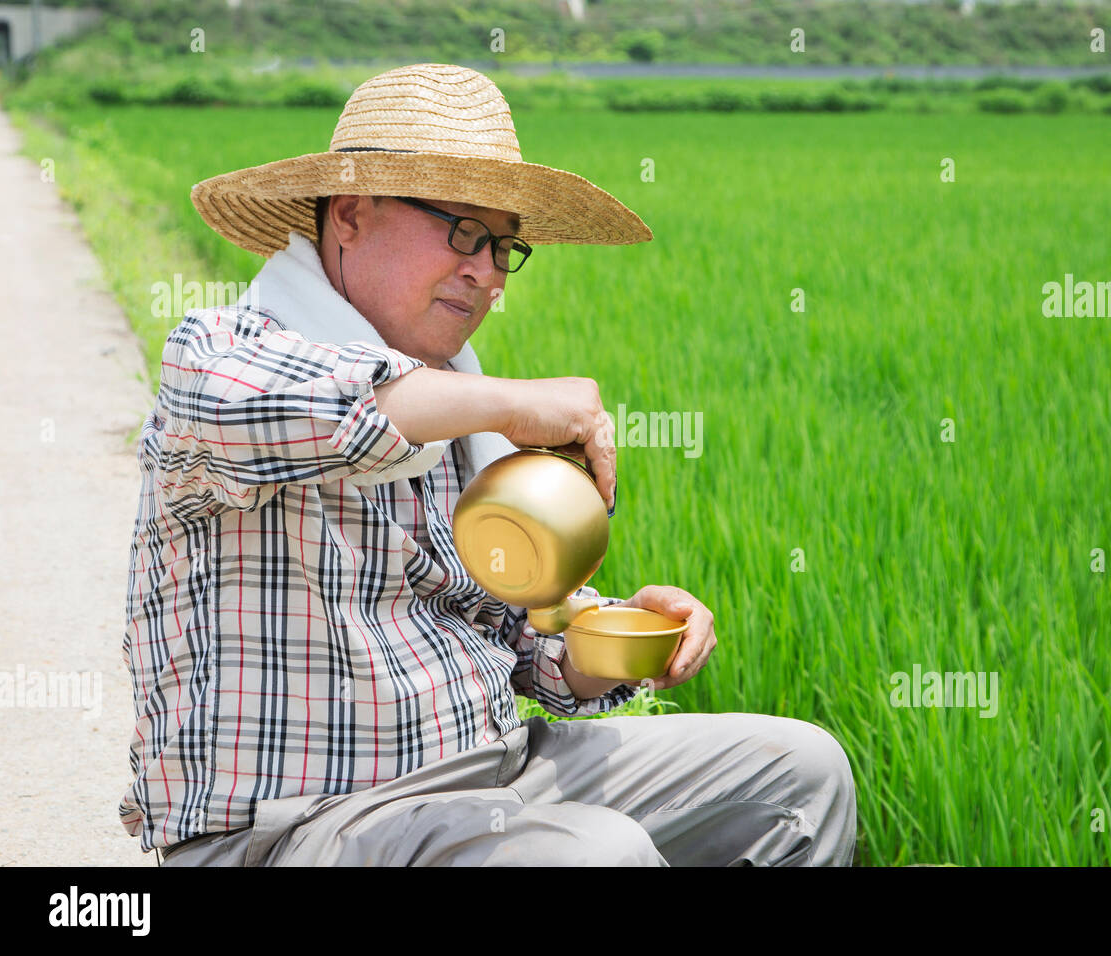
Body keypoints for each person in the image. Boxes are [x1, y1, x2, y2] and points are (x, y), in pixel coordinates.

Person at [122, 63, 856, 866]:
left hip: (494, 777)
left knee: (801, 774)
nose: (488, 273)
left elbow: (513, 635)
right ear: (353, 213)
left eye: (504, 246)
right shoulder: (222, 354)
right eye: (462, 231)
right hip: (305, 825)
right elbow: (349, 414)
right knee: (594, 855)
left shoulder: (453, 398)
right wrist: (510, 405)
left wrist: (607, 641)